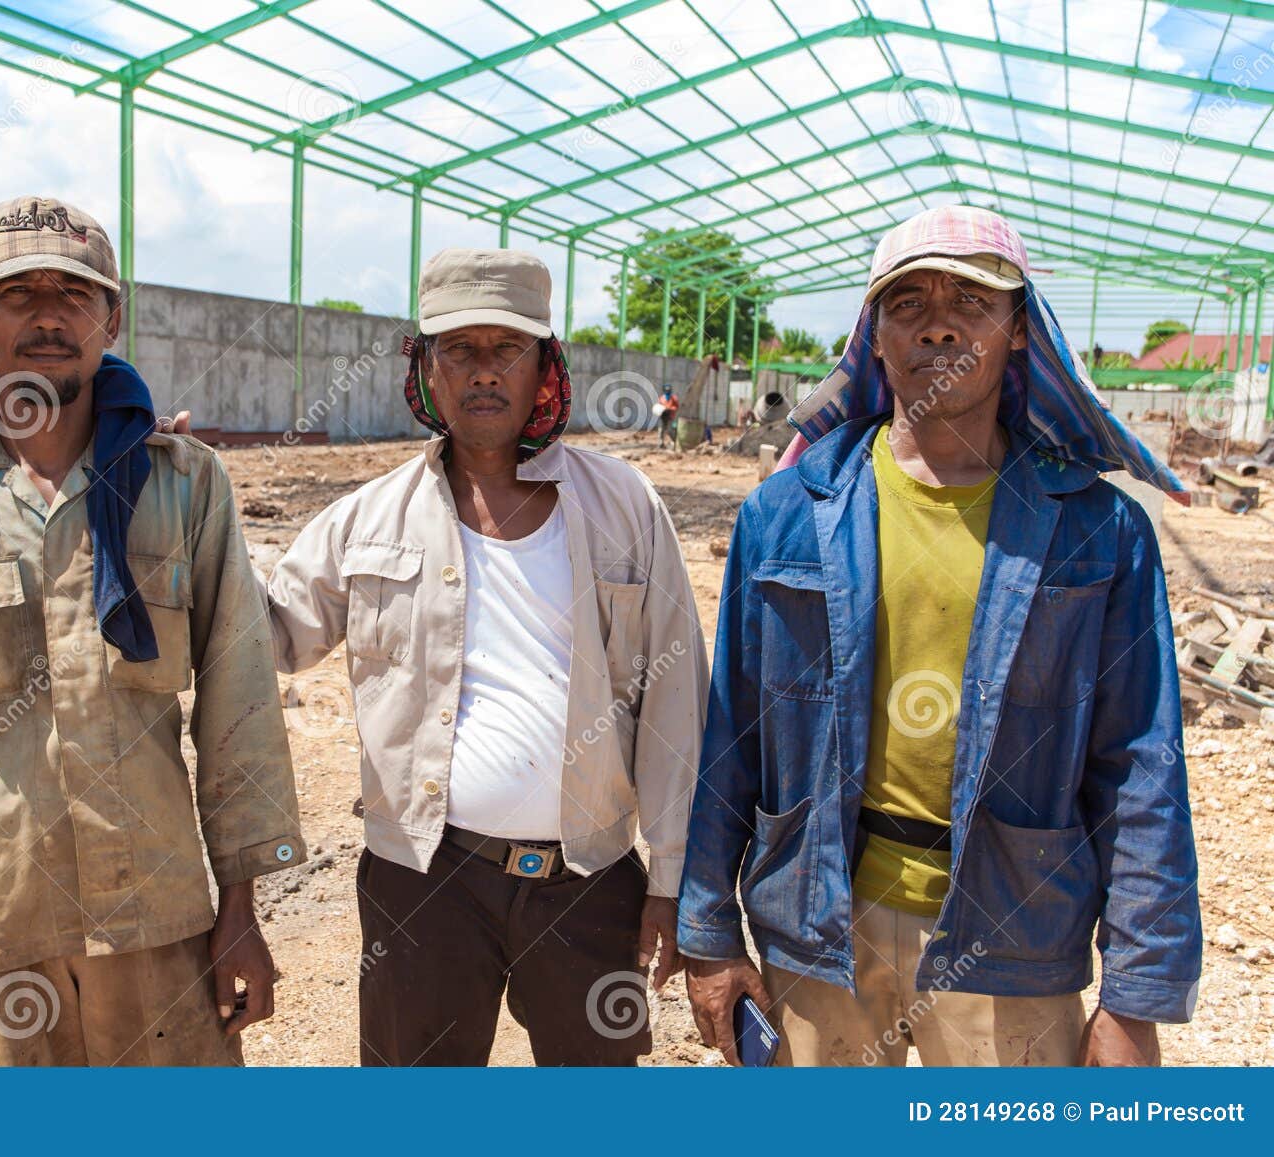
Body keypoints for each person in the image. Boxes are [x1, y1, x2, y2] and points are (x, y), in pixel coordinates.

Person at [679, 204, 1201, 1067]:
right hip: (819, 925)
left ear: (1019, 330)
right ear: (875, 335)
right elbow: (732, 732)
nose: (939, 324)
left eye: (972, 300)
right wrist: (708, 927)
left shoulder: (1098, 532)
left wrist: (1136, 995)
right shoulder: (788, 514)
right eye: (908, 302)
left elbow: (1140, 764)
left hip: (1013, 935)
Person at [0, 195, 306, 1066]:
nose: (49, 315)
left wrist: (241, 911)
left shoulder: (183, 486)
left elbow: (240, 708)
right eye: (17, 292)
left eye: (75, 293)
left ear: (112, 317)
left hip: (157, 927)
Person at [260, 248, 707, 1065]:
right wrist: (169, 503)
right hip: (421, 881)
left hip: (588, 882)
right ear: (427, 369)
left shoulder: (624, 507)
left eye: (508, 348)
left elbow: (677, 705)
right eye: (459, 349)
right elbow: (267, 637)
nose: (484, 370)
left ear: (544, 366)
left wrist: (674, 880)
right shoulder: (368, 518)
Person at [656, 383, 680, 448]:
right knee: (661, 430)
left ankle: (674, 442)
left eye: (668, 390)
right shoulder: (662, 398)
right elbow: (659, 406)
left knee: (670, 430)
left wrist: (670, 408)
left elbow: (676, 407)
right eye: (666, 390)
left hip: (670, 416)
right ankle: (661, 444)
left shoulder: (674, 398)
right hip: (663, 416)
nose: (667, 391)